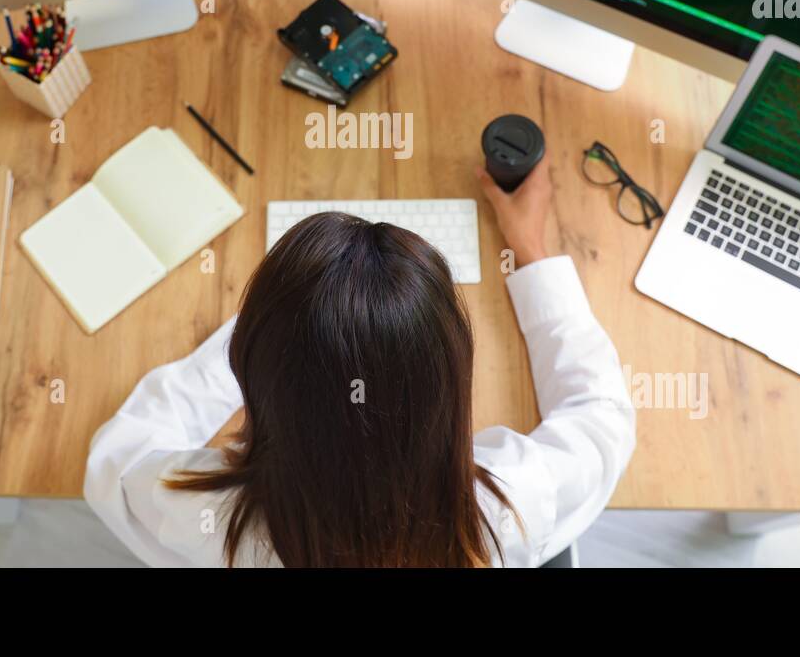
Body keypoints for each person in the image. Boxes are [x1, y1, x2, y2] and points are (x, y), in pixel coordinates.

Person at [84, 162, 635, 566]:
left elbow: (115, 459)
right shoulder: (505, 511)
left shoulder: (205, 519)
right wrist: (529, 247)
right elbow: (602, 414)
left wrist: (267, 326)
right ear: (448, 379)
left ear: (252, 373)